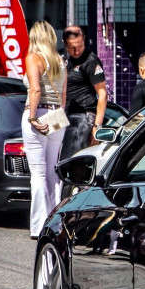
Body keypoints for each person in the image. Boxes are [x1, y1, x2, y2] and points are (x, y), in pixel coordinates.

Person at [22, 21, 67, 239]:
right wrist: (56, 114)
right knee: (52, 171)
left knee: (38, 173)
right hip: (57, 114)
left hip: (38, 112)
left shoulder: (33, 58)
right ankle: (55, 220)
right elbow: (64, 95)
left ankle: (40, 225)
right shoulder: (60, 61)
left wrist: (31, 116)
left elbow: (35, 88)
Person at [60, 25, 107, 159]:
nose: (76, 51)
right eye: (71, 47)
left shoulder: (91, 61)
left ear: (84, 39)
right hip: (64, 115)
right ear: (64, 43)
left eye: (79, 46)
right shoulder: (62, 60)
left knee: (72, 158)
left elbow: (102, 93)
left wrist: (97, 126)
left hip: (84, 116)